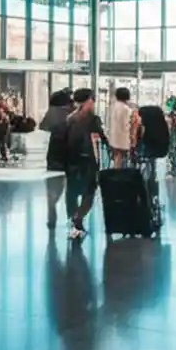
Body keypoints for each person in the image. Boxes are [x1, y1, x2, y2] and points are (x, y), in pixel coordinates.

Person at [66, 89, 105, 239]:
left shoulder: (70, 118)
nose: (94, 103)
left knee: (73, 191)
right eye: (93, 100)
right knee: (89, 192)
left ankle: (75, 220)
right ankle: (78, 218)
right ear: (88, 101)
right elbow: (100, 139)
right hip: (88, 160)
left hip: (72, 160)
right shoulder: (92, 119)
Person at [42, 89, 75, 230]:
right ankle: (72, 218)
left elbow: (43, 127)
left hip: (54, 152)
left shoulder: (52, 113)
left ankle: (51, 215)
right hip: (71, 152)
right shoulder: (70, 114)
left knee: (54, 187)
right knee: (72, 188)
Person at [107, 87, 139, 169]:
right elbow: (126, 126)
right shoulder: (126, 109)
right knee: (121, 160)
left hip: (113, 138)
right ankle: (119, 175)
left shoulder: (113, 107)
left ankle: (115, 173)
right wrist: (132, 139)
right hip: (123, 139)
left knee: (117, 158)